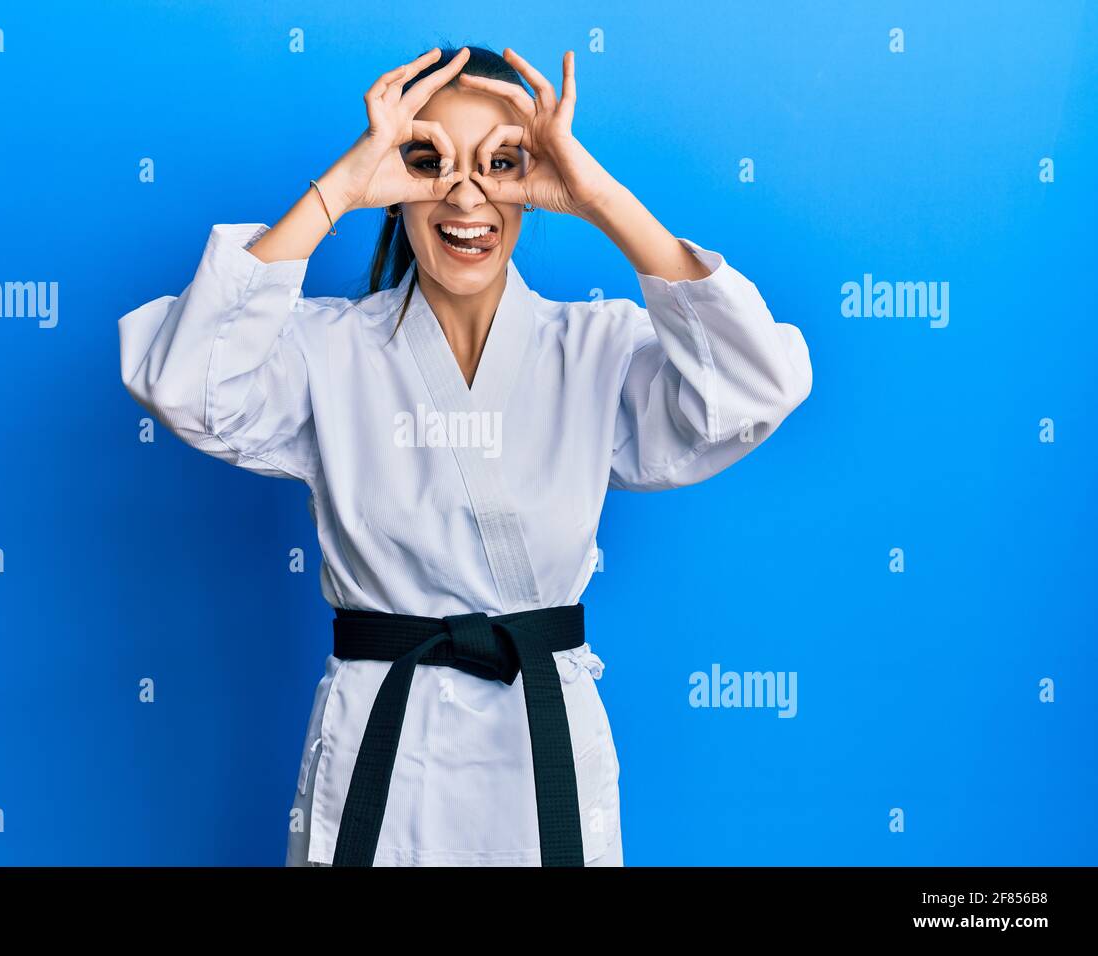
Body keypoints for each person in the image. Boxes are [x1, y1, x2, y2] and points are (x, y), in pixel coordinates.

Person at [117, 44, 812, 867]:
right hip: (384, 739)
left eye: (503, 161)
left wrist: (600, 199)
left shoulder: (597, 348)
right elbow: (184, 379)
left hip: (541, 746)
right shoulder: (324, 351)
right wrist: (340, 190)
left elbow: (754, 386)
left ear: (537, 177)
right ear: (395, 179)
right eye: (427, 160)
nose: (465, 194)